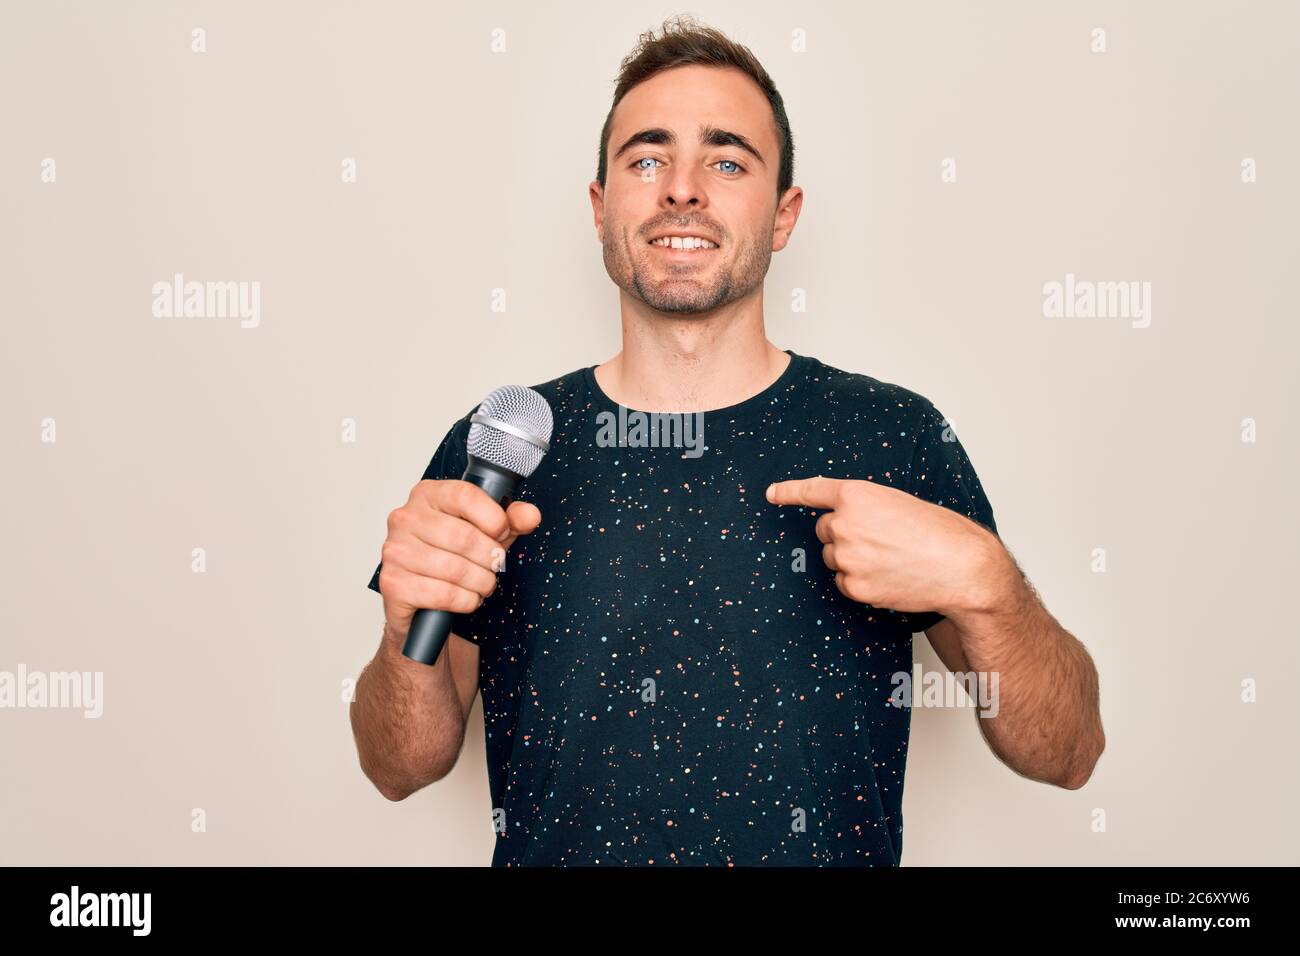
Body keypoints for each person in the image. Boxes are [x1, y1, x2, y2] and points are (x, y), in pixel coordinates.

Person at [350, 17, 1104, 866]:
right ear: (601, 209)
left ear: (784, 215)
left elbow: (1067, 753)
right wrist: (398, 633)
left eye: (727, 159)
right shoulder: (504, 447)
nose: (681, 188)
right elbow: (399, 766)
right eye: (645, 158)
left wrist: (991, 586)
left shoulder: (892, 435)